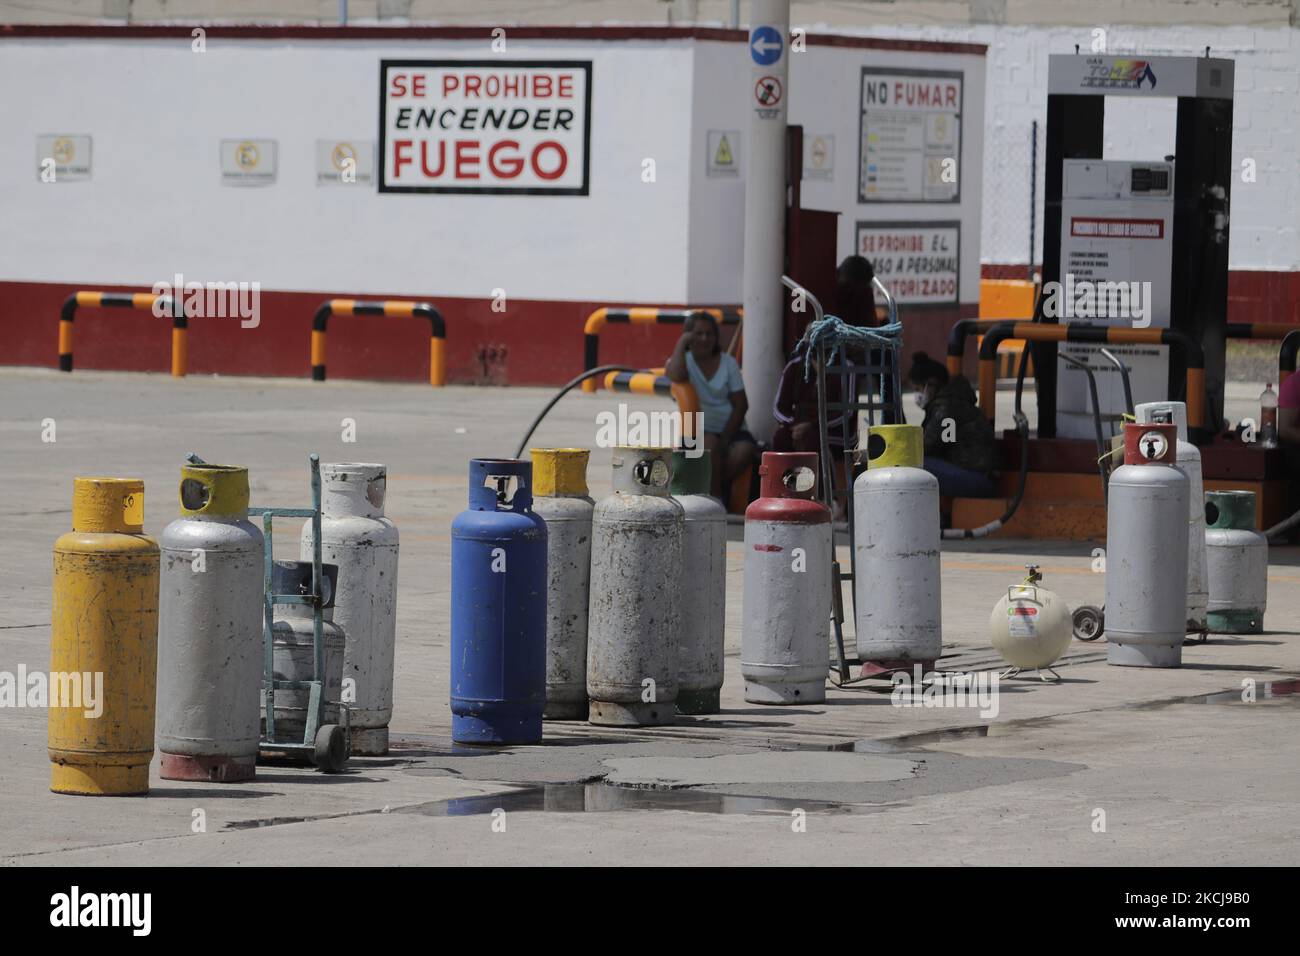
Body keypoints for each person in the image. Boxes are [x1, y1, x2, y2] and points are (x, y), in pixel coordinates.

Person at [666, 312, 757, 499]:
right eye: (698, 334)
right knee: (710, 445)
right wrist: (682, 343)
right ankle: (715, 498)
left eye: (709, 334)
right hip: (697, 431)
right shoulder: (685, 361)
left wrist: (725, 437)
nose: (705, 338)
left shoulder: (728, 363)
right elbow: (675, 375)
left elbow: (741, 405)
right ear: (689, 336)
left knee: (744, 451)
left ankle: (711, 488)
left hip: (731, 430)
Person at [907, 351, 998, 498]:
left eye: (917, 389)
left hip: (975, 479)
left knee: (912, 466)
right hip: (973, 475)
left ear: (931, 384)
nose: (916, 395)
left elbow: (926, 446)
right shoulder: (951, 403)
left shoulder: (948, 409)